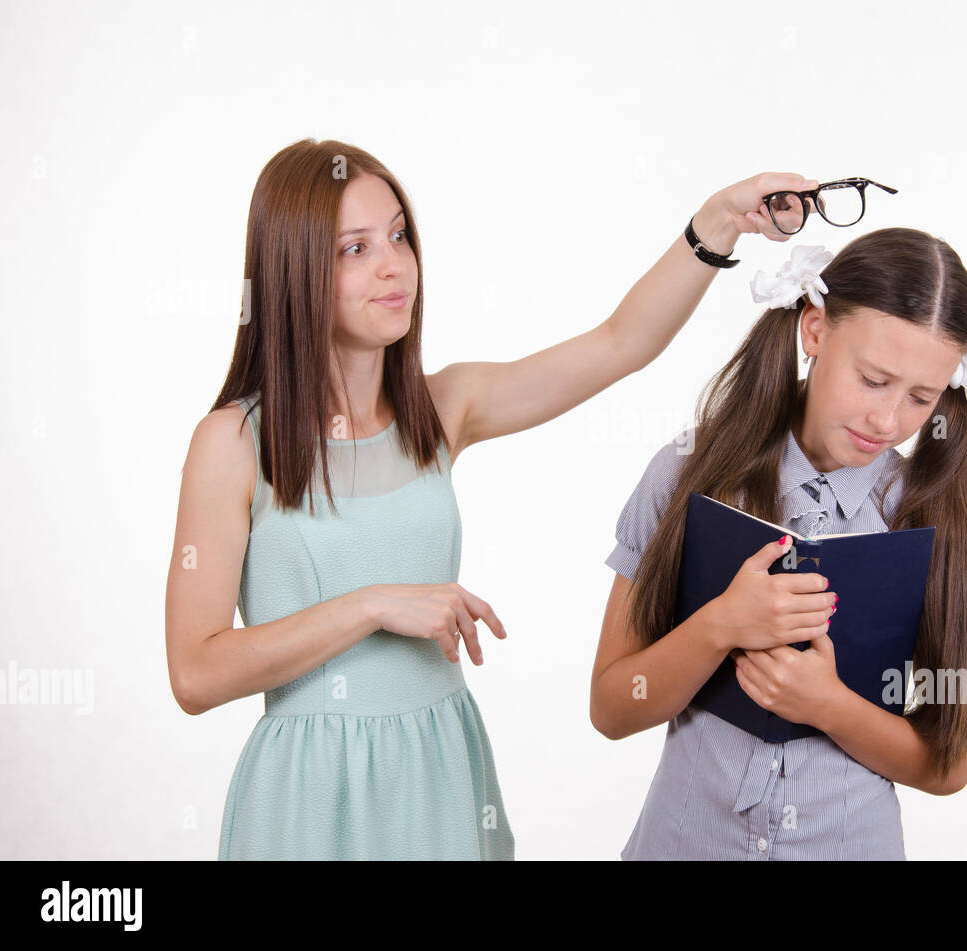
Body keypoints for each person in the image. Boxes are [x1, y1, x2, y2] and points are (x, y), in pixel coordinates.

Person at [163, 135, 816, 860]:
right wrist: (374, 604)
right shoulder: (230, 443)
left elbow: (619, 343)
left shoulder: (443, 407)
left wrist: (718, 220)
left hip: (440, 768)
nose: (394, 266)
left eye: (399, 236)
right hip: (312, 792)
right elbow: (195, 671)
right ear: (293, 270)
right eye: (354, 249)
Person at [590, 226, 967, 859]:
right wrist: (719, 626)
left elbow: (947, 766)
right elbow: (614, 708)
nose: (887, 420)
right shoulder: (688, 474)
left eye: (922, 398)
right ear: (814, 330)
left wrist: (829, 706)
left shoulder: (931, 518)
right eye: (872, 379)